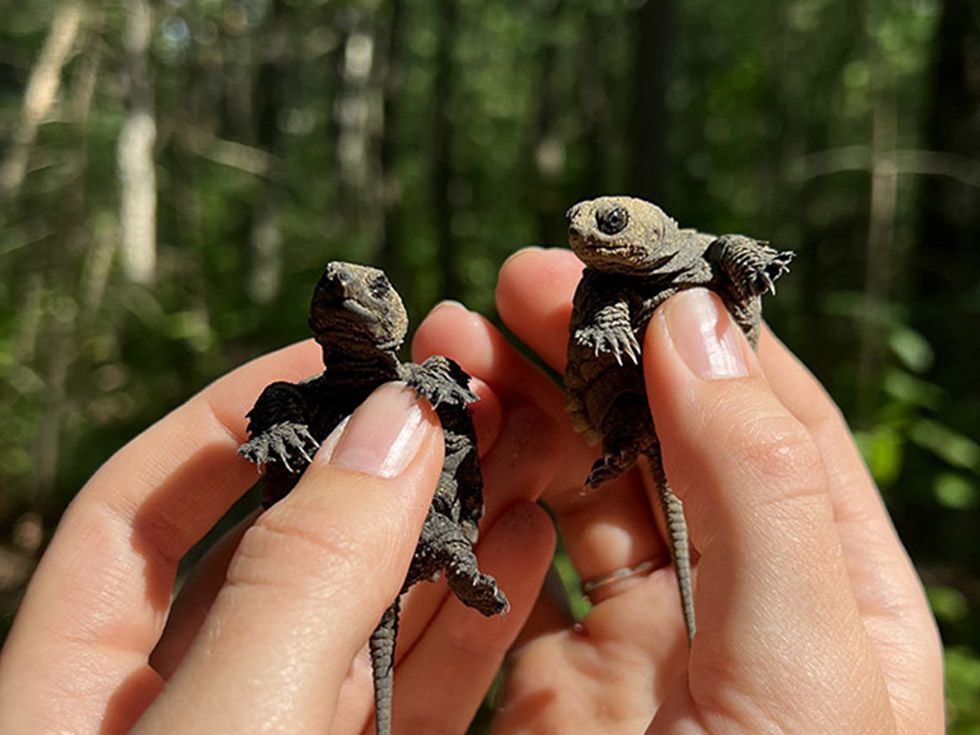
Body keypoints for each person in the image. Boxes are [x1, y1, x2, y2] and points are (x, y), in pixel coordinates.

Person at [0, 247, 944, 734]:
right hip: (367, 549)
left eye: (363, 285)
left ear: (395, 315)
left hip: (432, 524)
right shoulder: (301, 394)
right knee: (440, 564)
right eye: (334, 287)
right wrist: (281, 433)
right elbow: (272, 422)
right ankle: (460, 559)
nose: (343, 288)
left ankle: (459, 556)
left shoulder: (428, 385)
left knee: (460, 535)